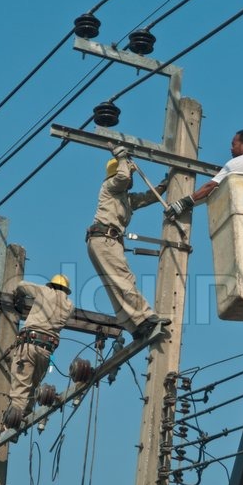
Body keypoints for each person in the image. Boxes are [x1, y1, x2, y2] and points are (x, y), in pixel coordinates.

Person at [86, 146, 171, 340]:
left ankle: (135, 327)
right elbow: (123, 177)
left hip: (102, 241)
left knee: (115, 286)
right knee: (124, 280)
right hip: (105, 239)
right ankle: (147, 317)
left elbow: (149, 197)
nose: (131, 178)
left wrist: (164, 185)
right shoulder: (109, 186)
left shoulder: (125, 198)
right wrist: (122, 158)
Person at [2, 274, 74, 430]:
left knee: (20, 386)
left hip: (29, 345)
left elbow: (21, 285)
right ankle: (24, 418)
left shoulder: (43, 291)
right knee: (34, 387)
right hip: (46, 351)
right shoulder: (69, 305)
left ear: (51, 285)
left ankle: (11, 425)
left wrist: (18, 295)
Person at [164, 129, 243, 219]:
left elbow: (210, 187)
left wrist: (183, 203)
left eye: (234, 145)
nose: (231, 148)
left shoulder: (237, 162)